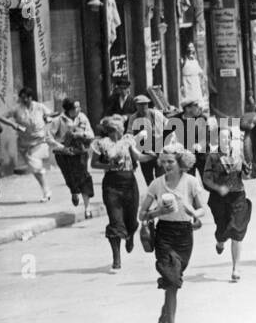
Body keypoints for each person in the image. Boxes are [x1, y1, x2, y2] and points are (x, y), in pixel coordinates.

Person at [139, 150, 205, 323]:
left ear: (181, 163)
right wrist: (158, 211)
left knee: (174, 281)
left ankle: (165, 312)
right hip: (164, 234)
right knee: (172, 280)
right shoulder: (157, 184)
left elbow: (203, 210)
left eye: (171, 162)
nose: (166, 165)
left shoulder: (191, 182)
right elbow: (141, 215)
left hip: (185, 235)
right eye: (164, 162)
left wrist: (193, 211)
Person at [90, 116, 144, 271]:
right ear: (113, 130)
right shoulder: (100, 144)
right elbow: (93, 163)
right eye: (119, 128)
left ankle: (130, 234)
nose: (121, 131)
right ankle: (116, 259)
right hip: (111, 185)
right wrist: (109, 165)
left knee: (131, 219)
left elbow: (138, 157)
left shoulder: (127, 141)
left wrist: (154, 156)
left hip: (129, 183)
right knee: (115, 220)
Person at [202, 126, 252, 282]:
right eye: (222, 139)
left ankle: (236, 268)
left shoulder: (238, 155)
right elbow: (206, 179)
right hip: (219, 199)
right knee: (223, 230)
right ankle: (220, 241)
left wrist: (247, 170)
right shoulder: (213, 157)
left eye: (228, 139)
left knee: (237, 231)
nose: (226, 142)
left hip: (237, 195)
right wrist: (218, 188)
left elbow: (245, 175)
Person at [0, 88, 54, 202]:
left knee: (36, 167)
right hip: (25, 144)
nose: (23, 100)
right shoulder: (17, 109)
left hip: (40, 141)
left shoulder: (39, 107)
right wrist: (13, 124)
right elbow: (1, 117)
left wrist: (48, 119)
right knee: (36, 169)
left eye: (25, 97)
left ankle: (46, 191)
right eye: (21, 97)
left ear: (30, 97)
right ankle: (46, 190)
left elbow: (51, 116)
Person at [49, 98, 95, 215]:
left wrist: (82, 134)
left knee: (84, 177)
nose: (79, 109)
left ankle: (87, 208)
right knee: (70, 177)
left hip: (80, 152)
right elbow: (48, 138)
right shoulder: (58, 120)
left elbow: (91, 134)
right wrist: (62, 147)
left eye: (79, 107)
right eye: (76, 107)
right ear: (69, 109)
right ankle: (74, 192)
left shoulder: (83, 118)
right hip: (64, 155)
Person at [130, 94, 168, 184]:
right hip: (144, 150)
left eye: (145, 104)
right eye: (140, 105)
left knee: (161, 176)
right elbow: (129, 133)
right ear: (136, 106)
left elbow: (167, 124)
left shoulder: (155, 114)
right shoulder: (133, 117)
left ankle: (160, 195)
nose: (143, 107)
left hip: (159, 148)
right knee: (148, 178)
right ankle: (153, 194)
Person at [173, 98, 215, 176]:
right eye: (195, 105)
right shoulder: (176, 119)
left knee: (208, 182)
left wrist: (200, 145)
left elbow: (207, 136)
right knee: (189, 182)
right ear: (187, 108)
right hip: (186, 156)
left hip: (202, 155)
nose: (199, 107)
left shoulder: (202, 118)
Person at [179, 42, 209, 111]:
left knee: (197, 100)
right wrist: (181, 84)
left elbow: (199, 71)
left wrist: (203, 77)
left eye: (192, 47)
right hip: (187, 81)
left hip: (195, 82)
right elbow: (180, 72)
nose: (190, 49)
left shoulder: (195, 60)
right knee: (188, 100)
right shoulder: (183, 59)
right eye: (189, 47)